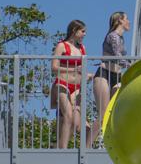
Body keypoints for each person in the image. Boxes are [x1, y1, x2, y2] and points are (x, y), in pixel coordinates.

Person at [50, 20, 95, 149]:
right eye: (83, 31)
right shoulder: (62, 46)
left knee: (79, 123)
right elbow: (54, 67)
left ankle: (59, 145)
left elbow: (81, 71)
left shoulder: (82, 48)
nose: (85, 34)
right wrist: (72, 70)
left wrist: (89, 76)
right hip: (62, 84)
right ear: (74, 31)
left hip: (77, 87)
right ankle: (62, 150)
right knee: (68, 115)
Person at [92, 12, 129, 144]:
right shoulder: (113, 36)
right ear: (120, 21)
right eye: (126, 19)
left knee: (114, 113)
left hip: (117, 75)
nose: (128, 22)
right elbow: (117, 56)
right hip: (104, 74)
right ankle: (86, 146)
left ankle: (110, 143)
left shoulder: (121, 38)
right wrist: (132, 65)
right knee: (103, 114)